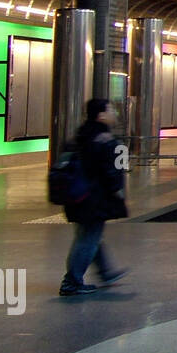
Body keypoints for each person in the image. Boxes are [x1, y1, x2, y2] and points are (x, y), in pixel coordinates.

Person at [59, 98, 129, 296]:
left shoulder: (79, 136)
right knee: (88, 238)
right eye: (110, 110)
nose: (114, 114)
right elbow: (110, 172)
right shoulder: (105, 140)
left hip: (76, 196)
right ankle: (71, 282)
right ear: (101, 115)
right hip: (94, 199)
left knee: (88, 236)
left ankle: (105, 272)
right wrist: (118, 192)